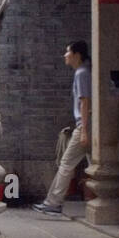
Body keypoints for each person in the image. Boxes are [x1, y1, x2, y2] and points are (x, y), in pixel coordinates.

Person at [33, 40, 91, 216]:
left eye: (68, 52)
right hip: (88, 124)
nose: (65, 55)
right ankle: (53, 203)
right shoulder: (86, 71)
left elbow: (85, 101)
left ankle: (53, 203)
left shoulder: (81, 73)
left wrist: (84, 130)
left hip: (85, 125)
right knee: (97, 164)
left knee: (66, 163)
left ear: (77, 55)